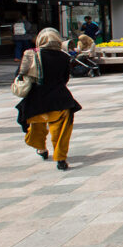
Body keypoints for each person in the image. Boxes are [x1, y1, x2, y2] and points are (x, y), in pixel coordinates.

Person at [15, 28, 81, 171]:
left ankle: (41, 148)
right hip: (60, 99)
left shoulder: (31, 55)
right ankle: (61, 158)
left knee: (36, 129)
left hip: (36, 101)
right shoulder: (64, 57)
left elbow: (19, 75)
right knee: (61, 131)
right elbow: (65, 79)